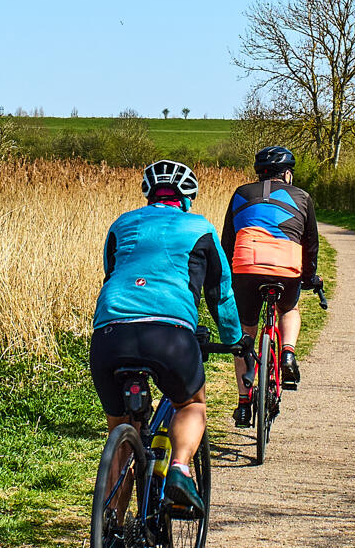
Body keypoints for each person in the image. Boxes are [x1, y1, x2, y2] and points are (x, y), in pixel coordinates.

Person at [90, 159, 242, 516]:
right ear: (188, 197)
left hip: (111, 332)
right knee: (191, 404)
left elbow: (112, 272)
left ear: (147, 194)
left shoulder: (122, 224)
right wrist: (235, 340)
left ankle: (111, 531)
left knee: (123, 430)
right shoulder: (199, 228)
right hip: (169, 334)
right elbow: (220, 293)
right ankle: (179, 468)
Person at [222, 145, 320, 427]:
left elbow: (228, 240)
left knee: (245, 334)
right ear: (287, 174)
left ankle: (243, 402)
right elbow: (310, 244)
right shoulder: (302, 196)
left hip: (245, 264)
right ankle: (287, 352)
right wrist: (308, 276)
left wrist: (230, 275)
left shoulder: (241, 193)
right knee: (289, 308)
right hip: (286, 265)